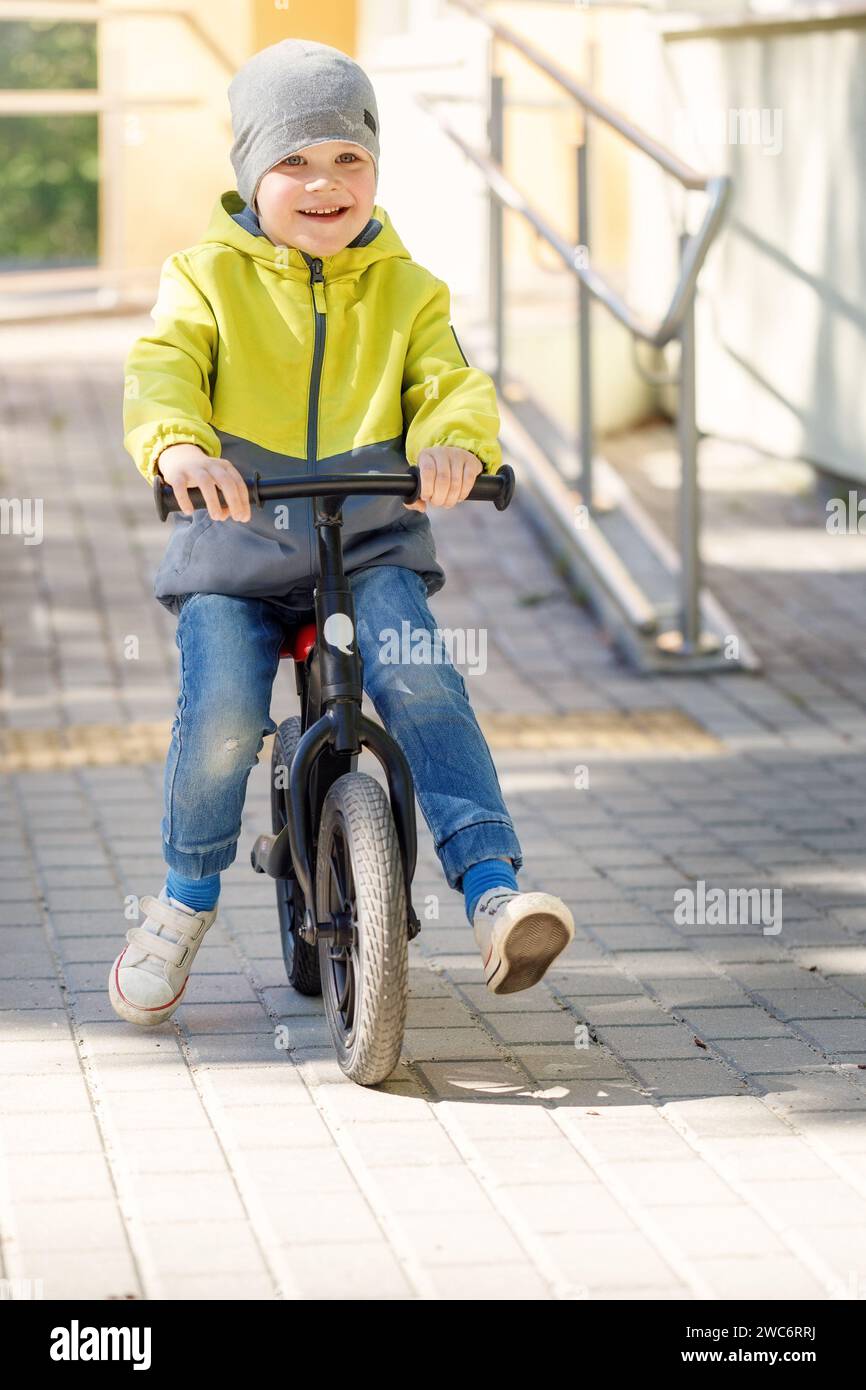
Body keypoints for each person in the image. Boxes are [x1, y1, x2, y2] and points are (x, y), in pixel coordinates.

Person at [110, 38, 574, 1028]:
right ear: (249, 173)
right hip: (232, 553)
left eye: (348, 160)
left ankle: (491, 892)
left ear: (374, 169)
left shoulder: (410, 291)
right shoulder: (202, 278)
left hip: (365, 546)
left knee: (420, 683)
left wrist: (452, 445)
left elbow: (451, 386)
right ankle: (184, 897)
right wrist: (179, 448)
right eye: (295, 162)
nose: (325, 184)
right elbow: (163, 369)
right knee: (226, 711)